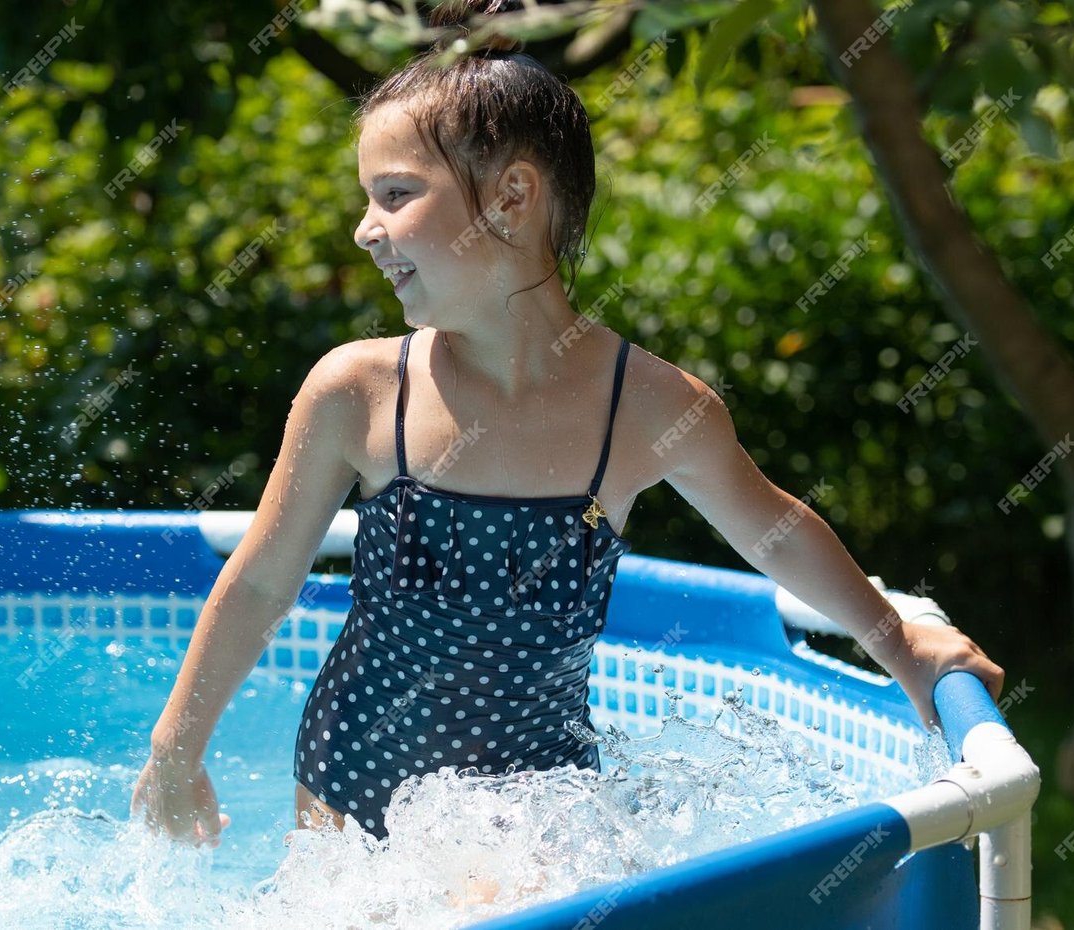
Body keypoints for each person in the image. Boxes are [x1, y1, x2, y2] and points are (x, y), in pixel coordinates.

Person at [130, 0, 1004, 852]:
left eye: (395, 194)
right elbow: (259, 584)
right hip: (348, 784)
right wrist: (176, 747)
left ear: (512, 196)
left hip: (541, 806)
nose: (365, 230)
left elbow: (775, 533)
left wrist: (904, 648)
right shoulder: (362, 392)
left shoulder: (647, 408)